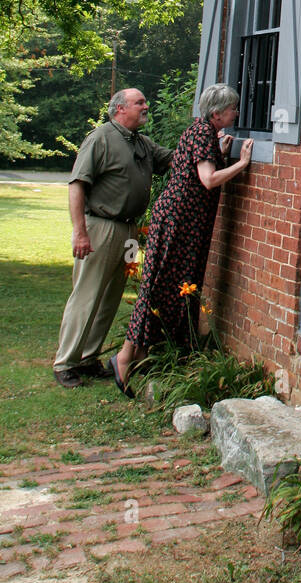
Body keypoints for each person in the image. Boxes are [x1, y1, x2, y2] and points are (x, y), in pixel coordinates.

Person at [111, 83, 253, 395]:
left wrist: (221, 152)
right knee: (158, 285)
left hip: (185, 222)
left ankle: (142, 352)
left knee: (171, 287)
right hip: (177, 221)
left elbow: (196, 166)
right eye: (232, 108)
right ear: (217, 113)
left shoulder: (203, 133)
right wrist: (240, 164)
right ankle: (124, 356)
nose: (237, 112)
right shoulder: (202, 132)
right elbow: (207, 179)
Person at [54, 89, 174, 388]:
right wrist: (80, 231)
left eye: (145, 102)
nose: (147, 106)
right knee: (87, 294)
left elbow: (174, 160)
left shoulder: (141, 143)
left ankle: (88, 358)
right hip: (101, 227)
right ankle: (65, 362)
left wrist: (211, 144)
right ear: (120, 109)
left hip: (130, 231)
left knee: (111, 296)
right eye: (140, 103)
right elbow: (77, 185)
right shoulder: (100, 138)